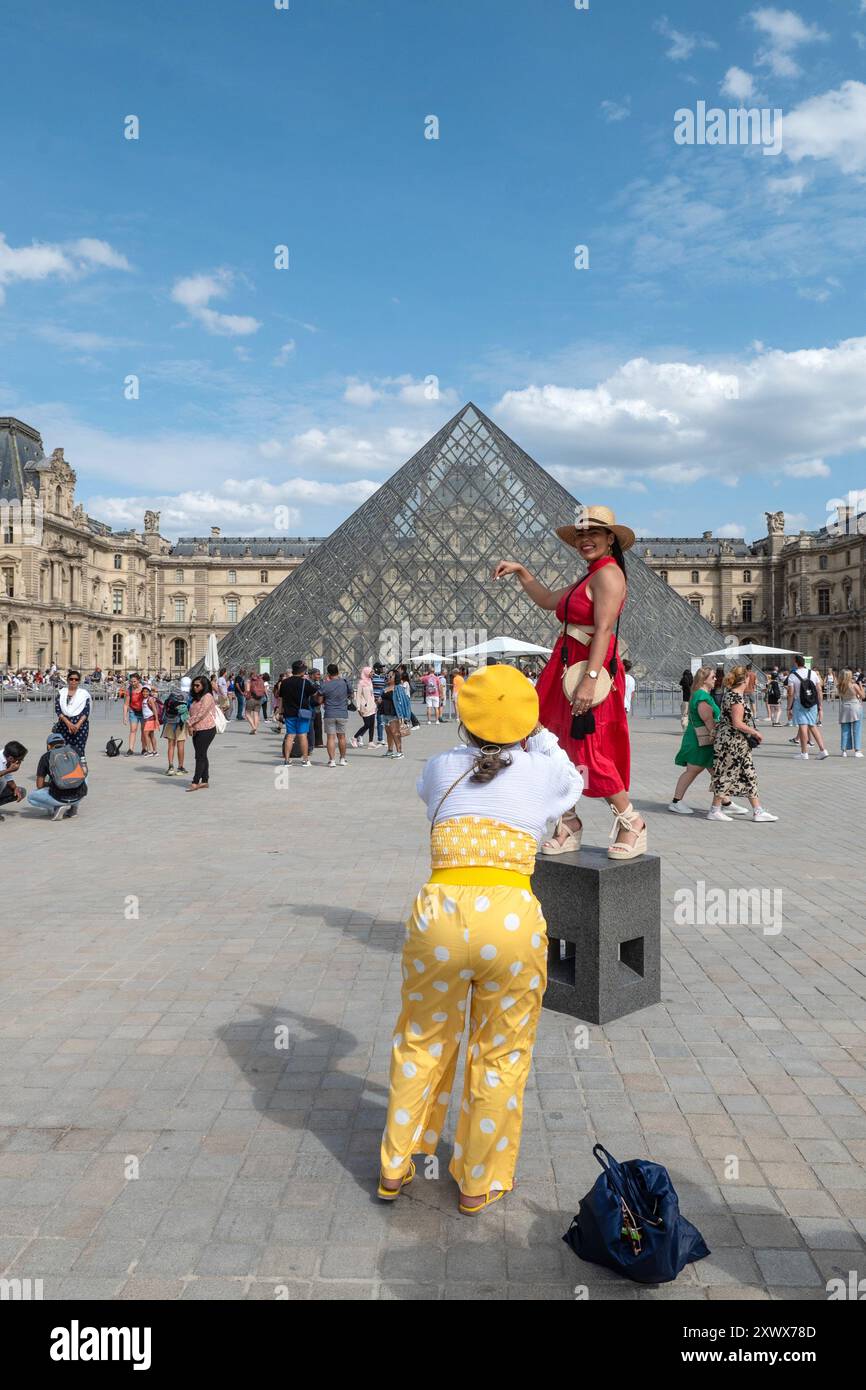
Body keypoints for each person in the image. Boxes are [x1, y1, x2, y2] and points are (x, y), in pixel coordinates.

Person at [378, 665, 583, 1211]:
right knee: (500, 1052)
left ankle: (396, 1166)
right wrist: (539, 735)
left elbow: (435, 794)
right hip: (511, 920)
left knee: (421, 1041)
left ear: (465, 720)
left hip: (440, 914)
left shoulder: (440, 764)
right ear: (524, 723)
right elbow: (573, 780)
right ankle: (478, 1181)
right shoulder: (541, 773)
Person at [493, 504, 646, 860]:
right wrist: (521, 571)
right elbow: (548, 600)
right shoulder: (589, 576)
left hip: (584, 670)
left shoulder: (608, 575)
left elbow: (604, 631)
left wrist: (590, 681)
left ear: (611, 539)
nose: (584, 540)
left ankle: (631, 821)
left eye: (593, 533)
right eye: (580, 535)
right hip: (564, 670)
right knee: (552, 745)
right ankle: (568, 821)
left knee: (590, 747)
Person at [668, 665, 749, 816]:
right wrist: (719, 735)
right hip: (701, 740)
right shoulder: (702, 696)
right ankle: (676, 802)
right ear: (704, 680)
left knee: (715, 771)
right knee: (693, 771)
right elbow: (708, 720)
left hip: (702, 739)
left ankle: (725, 802)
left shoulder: (702, 694)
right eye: (713, 677)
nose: (716, 679)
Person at [708, 668, 777, 822]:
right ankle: (714, 809)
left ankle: (758, 811)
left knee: (749, 775)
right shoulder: (735, 697)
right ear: (745, 679)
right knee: (727, 774)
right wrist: (755, 732)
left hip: (738, 743)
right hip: (732, 742)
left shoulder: (733, 694)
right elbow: (737, 723)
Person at [28, 731, 88, 820]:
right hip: (79, 794)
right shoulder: (75, 750)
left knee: (31, 797)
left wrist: (53, 783)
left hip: (60, 797)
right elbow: (85, 771)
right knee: (83, 775)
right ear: (64, 742)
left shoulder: (46, 757)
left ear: (48, 746)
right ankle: (73, 808)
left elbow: (39, 785)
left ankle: (59, 806)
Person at [787, 656, 828, 760]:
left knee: (803, 726)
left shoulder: (792, 675)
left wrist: (789, 708)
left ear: (796, 663)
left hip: (799, 703)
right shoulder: (813, 673)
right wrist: (820, 704)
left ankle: (804, 753)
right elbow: (819, 689)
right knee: (812, 725)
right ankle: (823, 750)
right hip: (812, 703)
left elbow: (791, 693)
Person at [277, 661, 318, 766]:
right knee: (303, 735)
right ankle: (305, 759)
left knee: (290, 736)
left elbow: (281, 699)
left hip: (289, 713)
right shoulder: (305, 682)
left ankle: (287, 760)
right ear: (302, 671)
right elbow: (315, 693)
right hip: (302, 713)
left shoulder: (284, 682)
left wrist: (280, 712)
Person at [186, 675, 217, 790]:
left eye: (197, 685)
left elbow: (201, 713)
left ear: (204, 686)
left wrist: (189, 722)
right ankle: (205, 780)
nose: (195, 687)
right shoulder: (196, 698)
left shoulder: (207, 696)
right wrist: (191, 725)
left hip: (207, 729)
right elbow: (192, 713)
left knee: (199, 756)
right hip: (197, 729)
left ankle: (195, 781)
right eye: (193, 685)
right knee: (202, 754)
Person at [321, 663, 353, 766]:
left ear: (328, 673)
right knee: (342, 737)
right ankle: (343, 759)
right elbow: (351, 693)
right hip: (342, 713)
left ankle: (332, 760)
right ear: (338, 672)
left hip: (329, 713)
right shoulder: (344, 682)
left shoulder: (325, 684)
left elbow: (320, 697)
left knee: (330, 738)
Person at [54, 670, 91, 758]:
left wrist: (77, 725)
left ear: (79, 681)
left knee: (79, 750)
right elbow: (58, 710)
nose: (73, 681)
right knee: (63, 750)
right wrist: (69, 724)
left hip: (81, 727)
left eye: (76, 679)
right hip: (64, 725)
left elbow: (86, 711)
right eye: (71, 679)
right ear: (67, 680)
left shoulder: (84, 694)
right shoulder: (61, 693)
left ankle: (79, 770)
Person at [161, 676, 191, 776]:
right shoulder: (188, 696)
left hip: (170, 721)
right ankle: (180, 768)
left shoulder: (173, 693)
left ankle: (170, 767)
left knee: (171, 745)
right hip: (181, 722)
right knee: (180, 745)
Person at [380, 668, 409, 758]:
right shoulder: (385, 688)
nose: (388, 677)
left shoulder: (398, 688)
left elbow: (405, 702)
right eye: (387, 676)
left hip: (394, 713)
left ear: (395, 677)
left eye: (390, 676)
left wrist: (406, 716)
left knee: (395, 732)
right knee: (388, 733)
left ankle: (400, 752)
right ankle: (390, 750)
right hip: (385, 713)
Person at [838, 668, 864, 757]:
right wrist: (860, 685)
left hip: (845, 707)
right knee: (857, 729)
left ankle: (844, 750)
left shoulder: (840, 686)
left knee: (845, 729)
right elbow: (863, 696)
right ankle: (857, 750)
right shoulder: (854, 686)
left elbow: (841, 697)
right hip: (855, 707)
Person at [0, 740, 28, 821]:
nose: (20, 762)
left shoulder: (7, 759)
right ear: (11, 758)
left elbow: (8, 777)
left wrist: (15, 788)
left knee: (21, 791)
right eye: (20, 760)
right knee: (2, 781)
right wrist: (9, 770)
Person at [351, 666, 377, 747]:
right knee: (367, 724)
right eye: (371, 672)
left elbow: (372, 695)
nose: (372, 674)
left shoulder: (370, 681)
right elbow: (358, 696)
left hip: (372, 705)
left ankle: (370, 741)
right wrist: (358, 708)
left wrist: (375, 705)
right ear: (366, 673)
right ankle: (354, 737)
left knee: (372, 724)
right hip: (364, 707)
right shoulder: (361, 683)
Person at [123, 674, 145, 755]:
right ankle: (130, 749)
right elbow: (126, 704)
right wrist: (124, 717)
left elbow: (153, 691)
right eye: (131, 681)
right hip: (133, 711)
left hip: (143, 712)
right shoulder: (129, 690)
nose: (133, 683)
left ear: (139, 680)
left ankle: (144, 749)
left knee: (143, 731)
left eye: (134, 681)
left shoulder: (143, 689)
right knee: (133, 730)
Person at [140, 682, 159, 756]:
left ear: (149, 692)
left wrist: (156, 719)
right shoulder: (144, 699)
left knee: (146, 734)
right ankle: (155, 751)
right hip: (148, 719)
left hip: (150, 719)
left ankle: (149, 751)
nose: (145, 693)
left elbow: (154, 709)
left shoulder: (150, 699)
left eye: (147, 691)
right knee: (151, 735)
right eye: (144, 691)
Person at [244, 668, 265, 734]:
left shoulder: (249, 681)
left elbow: (247, 690)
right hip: (259, 699)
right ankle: (255, 730)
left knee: (247, 713)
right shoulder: (260, 680)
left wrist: (245, 693)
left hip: (251, 698)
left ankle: (253, 728)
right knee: (256, 714)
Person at [371, 662, 387, 745]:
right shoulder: (372, 677)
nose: (382, 669)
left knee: (380, 720)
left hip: (381, 701)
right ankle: (360, 735)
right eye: (381, 667)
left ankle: (380, 738)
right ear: (376, 669)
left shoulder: (384, 677)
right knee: (369, 721)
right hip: (372, 701)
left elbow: (386, 687)